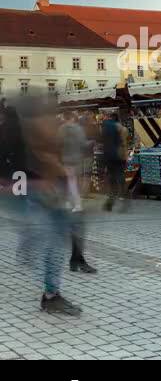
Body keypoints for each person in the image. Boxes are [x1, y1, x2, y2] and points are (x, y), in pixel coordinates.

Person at [16, 92, 81, 315]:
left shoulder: (43, 128)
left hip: (50, 191)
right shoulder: (30, 130)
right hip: (41, 191)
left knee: (56, 242)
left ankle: (51, 293)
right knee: (53, 243)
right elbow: (40, 158)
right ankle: (51, 295)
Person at [58, 110, 97, 273]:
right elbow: (83, 145)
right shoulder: (77, 130)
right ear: (73, 118)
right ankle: (77, 260)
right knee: (77, 219)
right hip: (71, 172)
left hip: (61, 174)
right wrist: (92, 142)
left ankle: (76, 260)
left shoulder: (58, 131)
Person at [102, 112, 128, 211]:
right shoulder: (123, 129)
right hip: (120, 154)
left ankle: (111, 200)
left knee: (111, 177)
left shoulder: (106, 128)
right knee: (120, 175)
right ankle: (123, 196)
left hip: (109, 155)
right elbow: (124, 143)